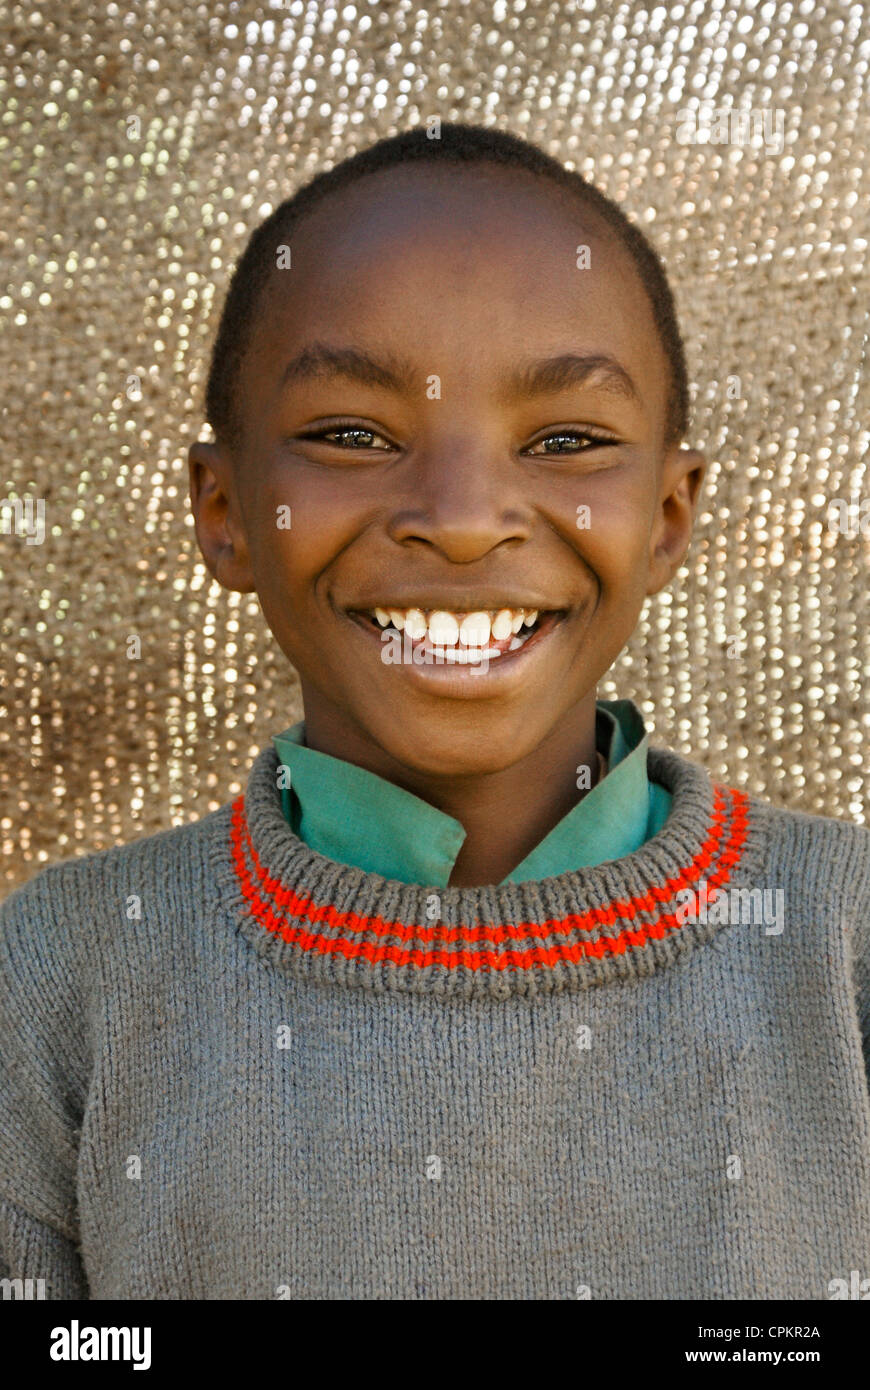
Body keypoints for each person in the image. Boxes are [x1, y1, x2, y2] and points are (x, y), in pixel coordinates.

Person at [1, 123, 868, 1300]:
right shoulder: (59, 984)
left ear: (669, 512)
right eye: (351, 435)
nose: (462, 519)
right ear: (226, 508)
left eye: (568, 440)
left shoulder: (840, 955)